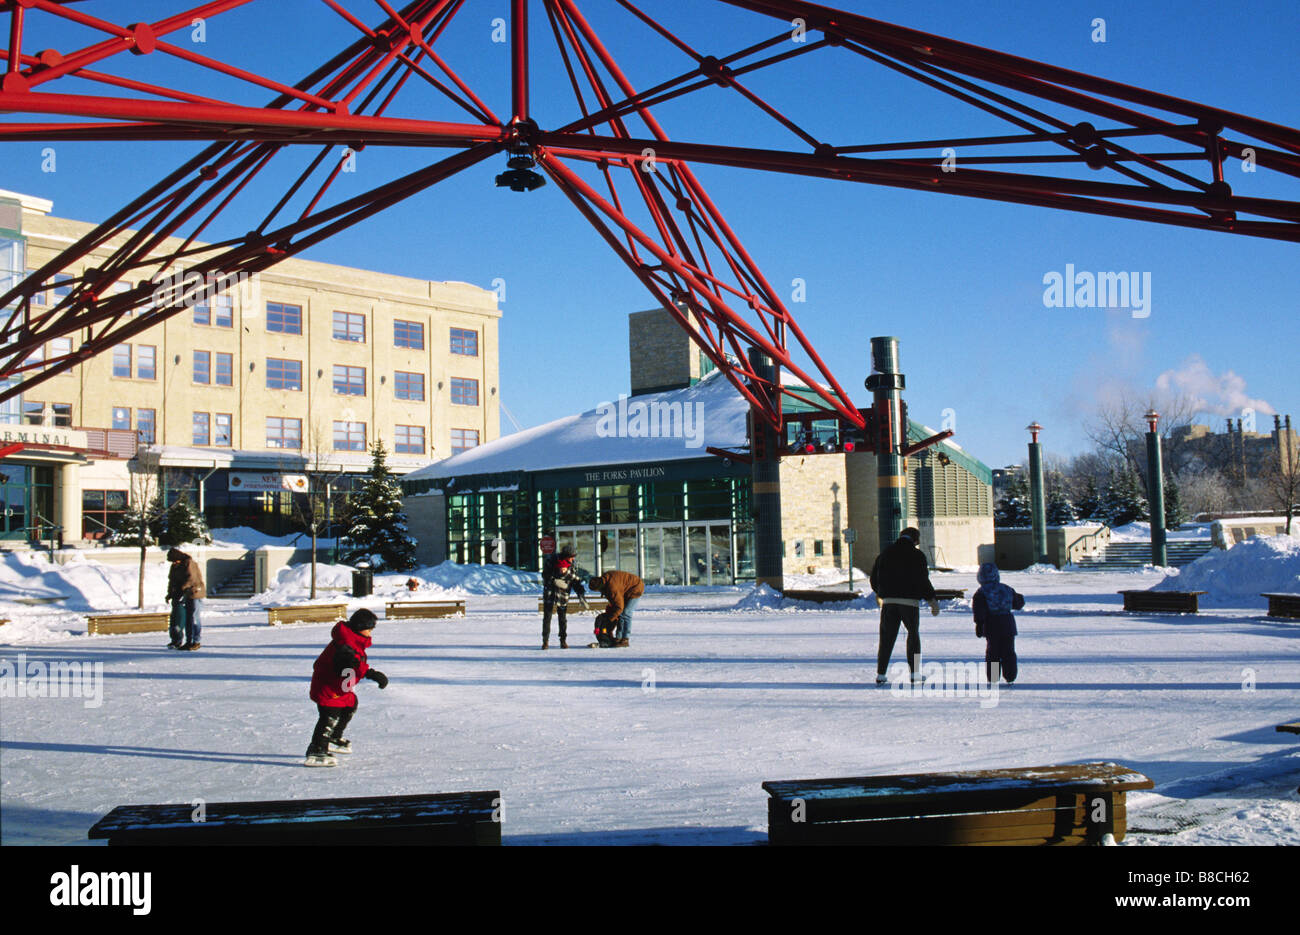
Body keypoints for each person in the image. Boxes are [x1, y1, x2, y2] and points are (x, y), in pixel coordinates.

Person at [305, 608, 388, 767]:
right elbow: (350, 664)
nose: (370, 633)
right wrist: (367, 673)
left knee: (350, 705)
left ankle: (334, 737)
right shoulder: (345, 645)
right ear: (359, 627)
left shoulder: (353, 640)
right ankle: (317, 748)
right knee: (330, 715)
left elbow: (356, 663)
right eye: (369, 629)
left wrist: (368, 673)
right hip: (328, 687)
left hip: (339, 687)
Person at [868, 527, 938, 684]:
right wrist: (931, 599)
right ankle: (914, 673)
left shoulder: (885, 554)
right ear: (915, 539)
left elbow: (874, 578)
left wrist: (880, 592)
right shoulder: (917, 555)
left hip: (889, 602)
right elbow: (922, 579)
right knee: (913, 636)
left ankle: (881, 674)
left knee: (886, 638)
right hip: (909, 603)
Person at [973, 563, 1025, 684]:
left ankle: (994, 677)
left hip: (992, 625)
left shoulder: (981, 593)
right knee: (1009, 651)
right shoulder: (1006, 589)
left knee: (993, 652)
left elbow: (979, 610)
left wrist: (979, 624)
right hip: (1008, 624)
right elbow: (1018, 603)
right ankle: (1010, 676)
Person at [541, 546, 584, 649]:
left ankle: (563, 640)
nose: (573, 559)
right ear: (566, 556)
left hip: (563, 594)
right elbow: (545, 574)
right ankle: (545, 641)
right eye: (571, 557)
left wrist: (580, 591)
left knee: (563, 618)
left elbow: (574, 579)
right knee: (547, 617)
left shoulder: (572, 564)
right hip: (550, 593)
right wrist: (553, 580)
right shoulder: (551, 560)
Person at [588, 569, 644, 648]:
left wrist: (609, 620)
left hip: (636, 587)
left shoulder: (612, 588)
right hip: (625, 588)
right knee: (620, 614)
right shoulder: (605, 580)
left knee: (626, 613)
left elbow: (619, 607)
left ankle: (625, 639)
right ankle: (619, 638)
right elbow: (614, 602)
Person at [165, 547, 206, 651]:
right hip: (185, 594)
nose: (174, 563)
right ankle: (188, 642)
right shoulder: (175, 566)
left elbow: (191, 579)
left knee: (194, 617)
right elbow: (172, 581)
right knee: (187, 619)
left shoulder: (189, 563)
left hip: (195, 592)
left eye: (175, 561)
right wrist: (170, 594)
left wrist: (182, 588)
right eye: (172, 562)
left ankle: (196, 641)